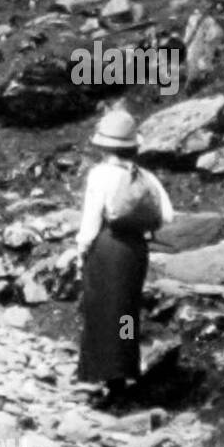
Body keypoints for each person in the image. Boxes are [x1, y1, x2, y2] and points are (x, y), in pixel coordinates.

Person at [75, 109, 174, 405]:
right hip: (135, 251)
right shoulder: (146, 177)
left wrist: (81, 251)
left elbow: (90, 223)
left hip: (106, 247)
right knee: (126, 312)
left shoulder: (100, 175)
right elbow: (168, 215)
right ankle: (125, 372)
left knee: (100, 310)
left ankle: (100, 375)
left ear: (104, 146)